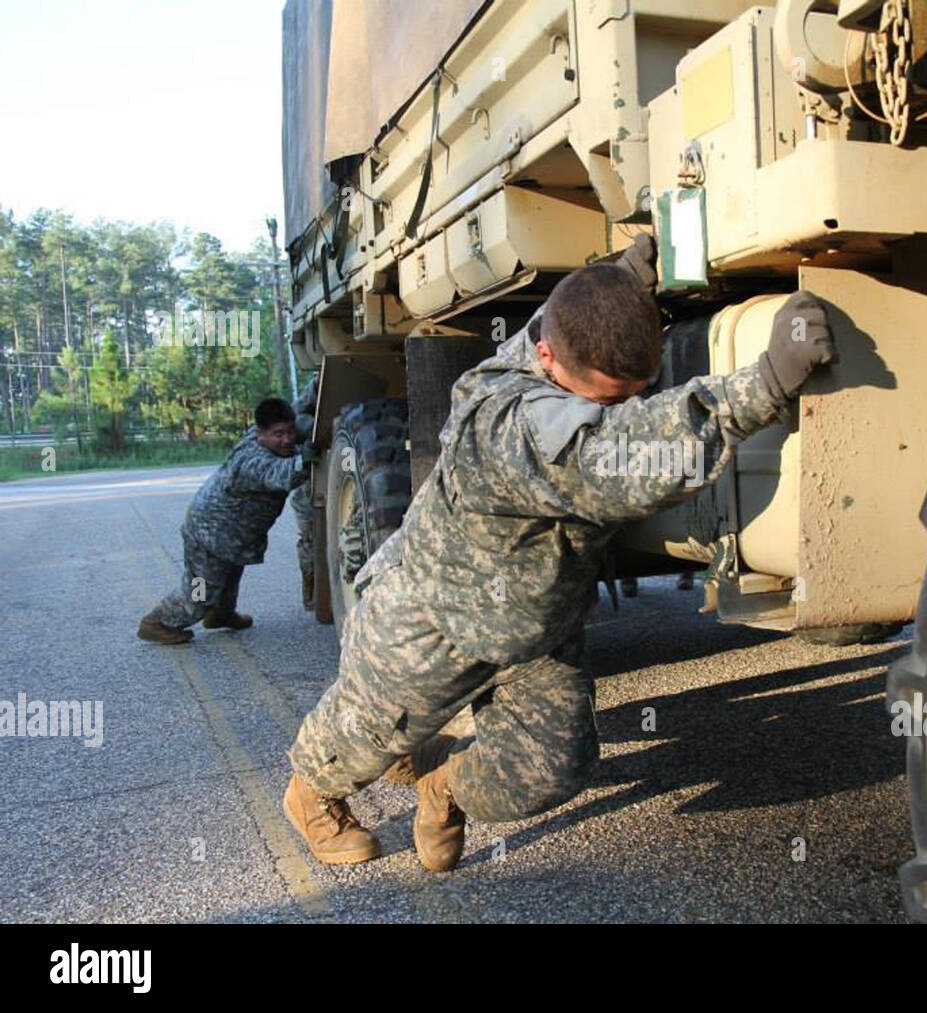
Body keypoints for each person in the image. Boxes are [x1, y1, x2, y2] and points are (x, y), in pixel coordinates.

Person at [282, 236, 836, 869]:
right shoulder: (512, 430)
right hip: (433, 622)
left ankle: (443, 787)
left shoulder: (541, 349)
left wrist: (623, 282)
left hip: (533, 628)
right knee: (366, 733)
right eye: (607, 400)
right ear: (547, 359)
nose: (619, 409)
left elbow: (565, 322)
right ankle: (311, 796)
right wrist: (764, 383)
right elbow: (628, 451)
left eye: (632, 393)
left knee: (552, 768)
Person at [137, 398, 311, 645]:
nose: (287, 440)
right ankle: (158, 622)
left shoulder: (262, 435)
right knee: (201, 590)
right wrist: (307, 457)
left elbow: (296, 405)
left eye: (291, 432)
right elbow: (283, 473)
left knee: (230, 574)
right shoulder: (252, 461)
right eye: (278, 434)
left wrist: (314, 390)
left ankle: (221, 614)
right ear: (260, 434)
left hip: (230, 536)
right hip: (208, 534)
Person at [288, 376, 319, 610]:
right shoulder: (314, 392)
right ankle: (311, 593)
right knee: (309, 538)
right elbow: (295, 415)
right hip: (306, 482)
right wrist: (313, 433)